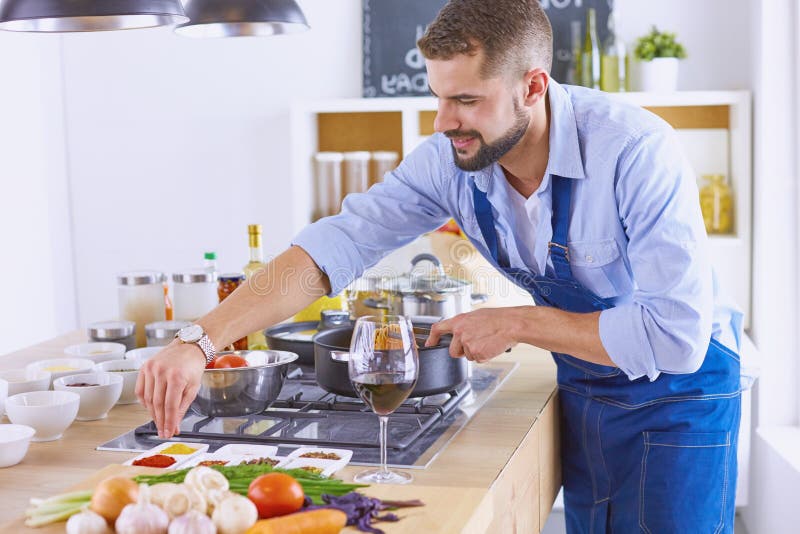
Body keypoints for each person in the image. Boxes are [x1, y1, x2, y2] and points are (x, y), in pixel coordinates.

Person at [136, 1, 742, 531]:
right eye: (438, 96)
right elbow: (336, 246)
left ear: (533, 87)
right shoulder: (450, 161)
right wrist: (200, 338)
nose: (442, 121)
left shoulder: (635, 152)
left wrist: (517, 323)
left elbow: (676, 336)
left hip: (680, 398)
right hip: (588, 383)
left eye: (466, 100)